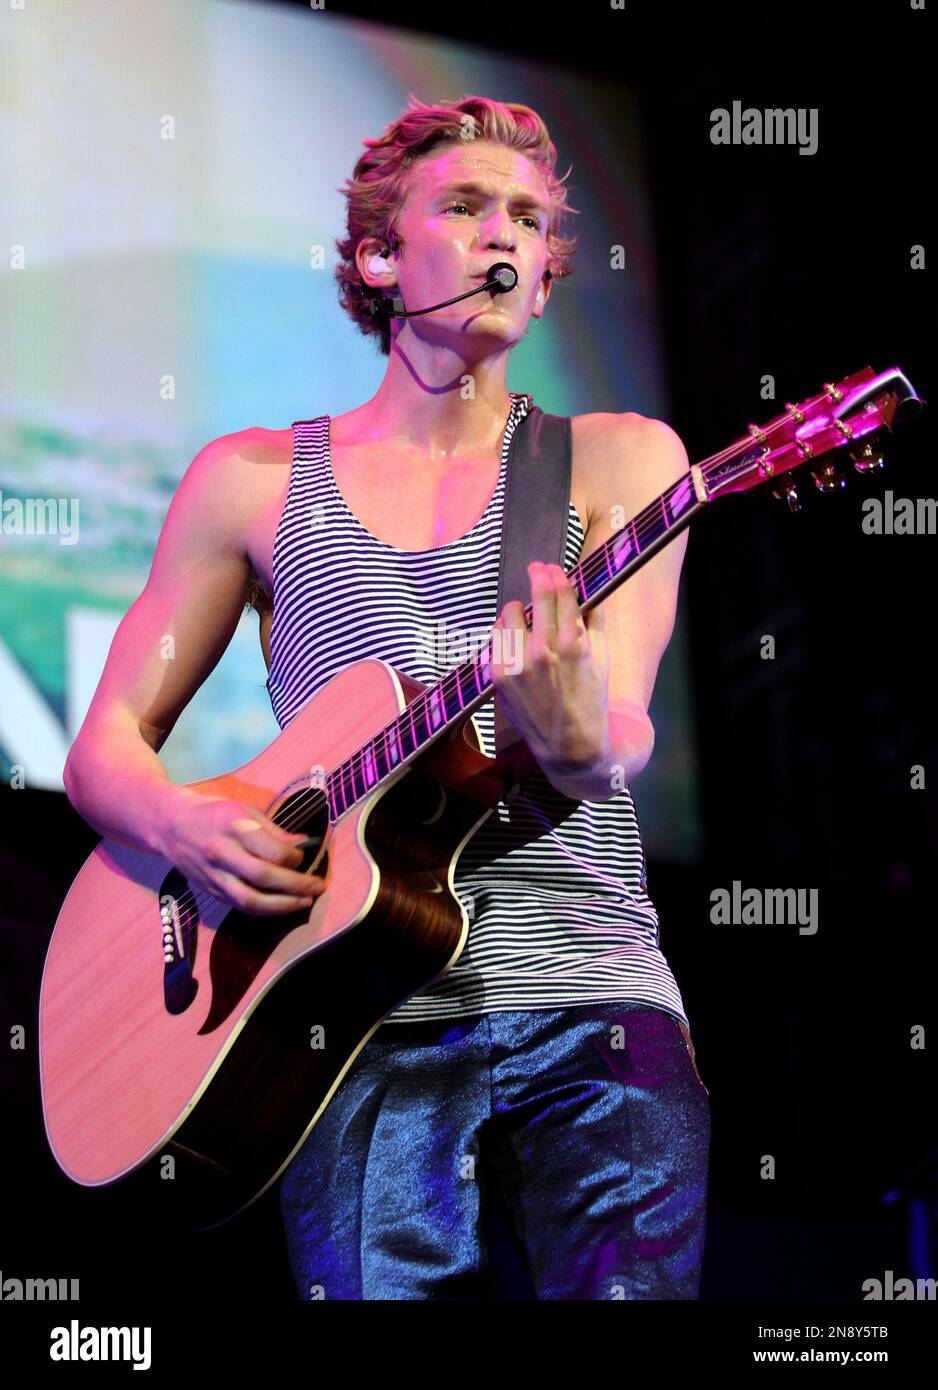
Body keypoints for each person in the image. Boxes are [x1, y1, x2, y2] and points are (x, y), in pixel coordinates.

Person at [63, 94, 710, 1300]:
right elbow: (107, 749)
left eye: (527, 217)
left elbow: (614, 724)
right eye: (463, 206)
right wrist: (182, 823)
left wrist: (575, 735)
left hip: (591, 999)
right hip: (352, 1022)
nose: (501, 234)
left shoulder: (622, 459)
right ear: (374, 256)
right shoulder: (250, 481)